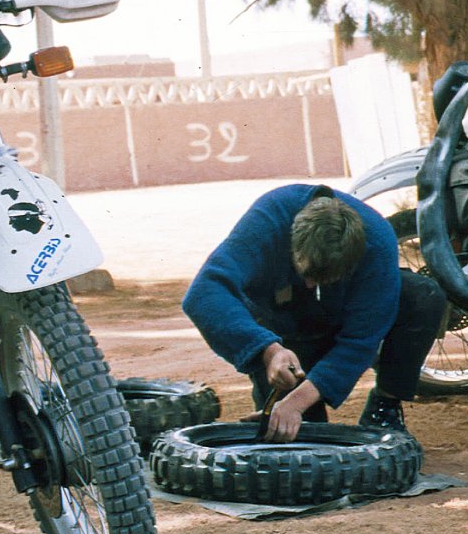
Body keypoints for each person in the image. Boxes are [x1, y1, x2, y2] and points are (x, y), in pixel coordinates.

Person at [182, 184, 447, 442]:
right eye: (307, 274)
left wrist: (296, 403)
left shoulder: (377, 242)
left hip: (341, 314)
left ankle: (384, 408)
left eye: (326, 278)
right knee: (296, 435)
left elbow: (361, 339)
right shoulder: (270, 218)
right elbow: (203, 293)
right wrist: (268, 351)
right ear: (292, 244)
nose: (311, 285)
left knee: (422, 297)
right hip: (282, 326)